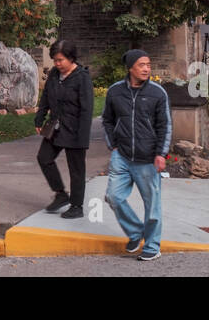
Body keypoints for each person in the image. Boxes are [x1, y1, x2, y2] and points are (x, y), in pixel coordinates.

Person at [101, 50, 172, 262]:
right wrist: (112, 145)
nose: (146, 69)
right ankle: (135, 232)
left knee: (152, 206)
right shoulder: (115, 92)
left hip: (148, 159)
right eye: (142, 65)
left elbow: (165, 125)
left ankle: (151, 246)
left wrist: (161, 153)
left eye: (148, 65)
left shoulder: (158, 93)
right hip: (121, 156)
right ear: (131, 67)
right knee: (113, 197)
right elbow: (107, 120)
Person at [34, 39, 94, 219]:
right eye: (55, 60)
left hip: (75, 129)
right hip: (56, 127)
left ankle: (77, 206)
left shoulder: (81, 78)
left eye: (60, 60)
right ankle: (61, 194)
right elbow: (46, 97)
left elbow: (87, 110)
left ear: (71, 58)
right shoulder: (54, 74)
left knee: (76, 170)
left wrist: (82, 139)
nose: (57, 64)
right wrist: (39, 117)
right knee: (44, 158)